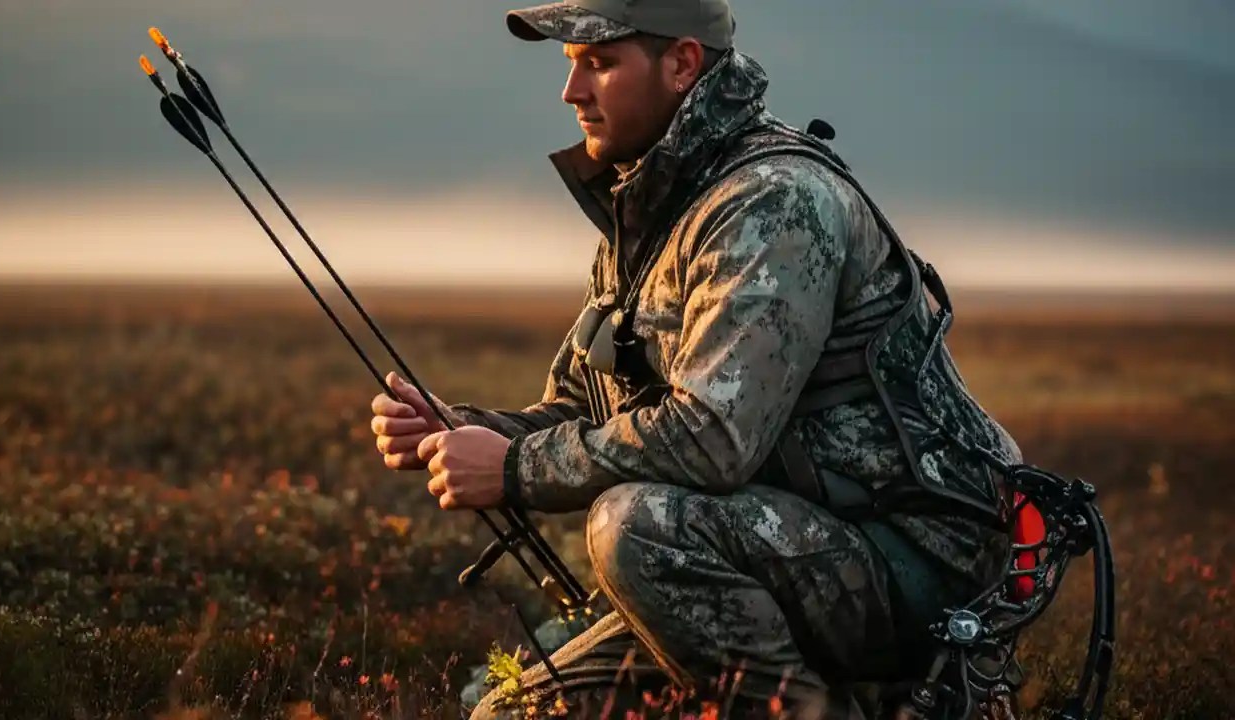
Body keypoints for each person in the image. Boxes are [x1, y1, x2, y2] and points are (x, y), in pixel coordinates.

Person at [370, 1, 1024, 717]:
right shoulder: (655, 201)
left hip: (915, 560)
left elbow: (712, 439)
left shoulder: (772, 201)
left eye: (600, 62)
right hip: (787, 544)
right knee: (514, 714)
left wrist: (511, 469)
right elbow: (581, 410)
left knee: (636, 525)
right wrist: (460, 431)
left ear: (682, 64)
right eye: (571, 66)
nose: (572, 92)